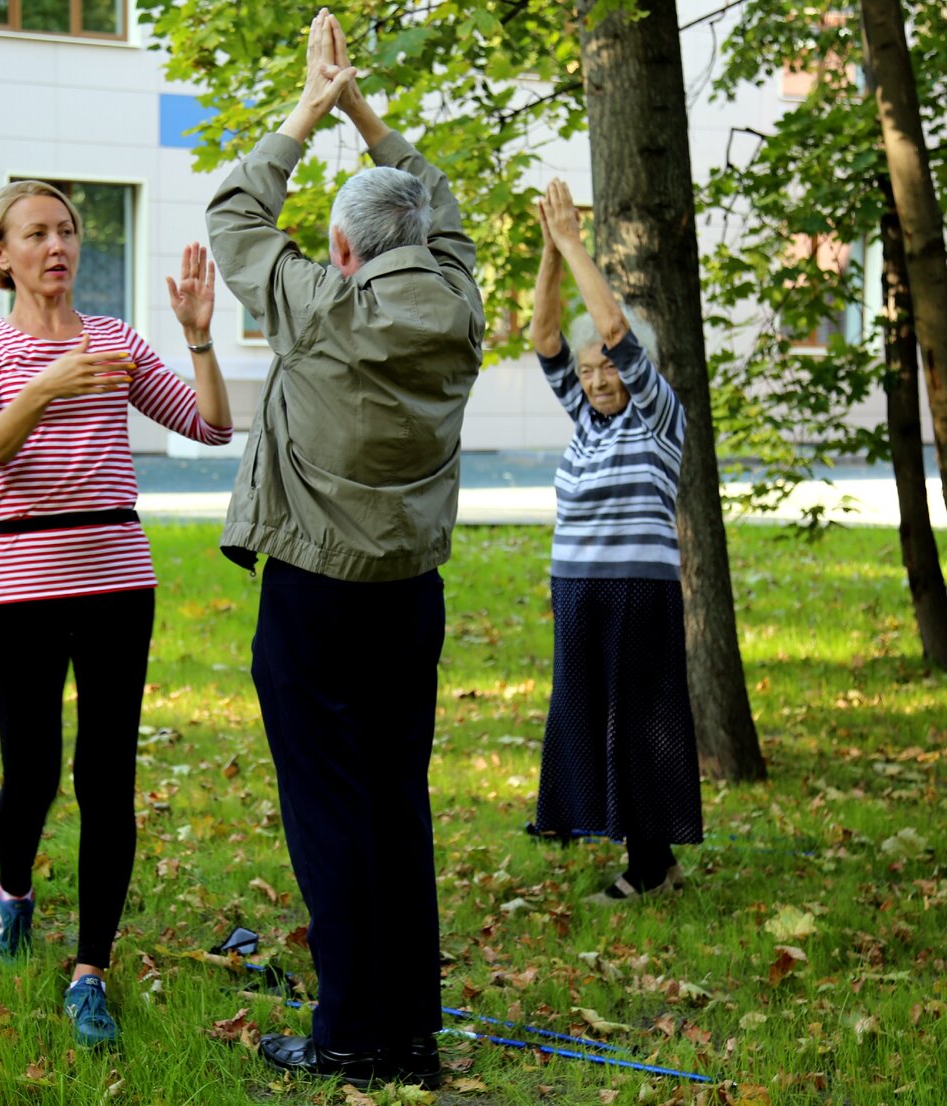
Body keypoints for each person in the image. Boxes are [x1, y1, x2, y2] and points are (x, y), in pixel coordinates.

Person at [205, 9, 484, 1091]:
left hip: (318, 595)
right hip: (412, 597)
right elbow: (438, 201)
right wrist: (365, 112)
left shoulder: (317, 307)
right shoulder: (460, 306)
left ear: (341, 249)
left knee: (330, 811)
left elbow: (236, 208)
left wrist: (312, 105)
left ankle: (351, 1034)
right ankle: (408, 1028)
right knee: (396, 804)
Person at [0, 179, 232, 1046]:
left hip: (117, 578)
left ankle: (90, 973)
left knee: (107, 779)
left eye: (67, 231)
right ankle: (14, 894)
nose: (57, 245)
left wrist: (199, 339)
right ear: (2, 254)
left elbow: (213, 427)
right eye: (35, 233)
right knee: (29, 775)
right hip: (23, 583)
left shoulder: (113, 342)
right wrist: (45, 385)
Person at [527, 178, 703, 902]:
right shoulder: (588, 418)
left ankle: (653, 867)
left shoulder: (655, 415)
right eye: (589, 367)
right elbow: (543, 339)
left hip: (637, 591)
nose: (597, 376)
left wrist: (574, 244)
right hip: (579, 588)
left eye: (607, 366)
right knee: (585, 713)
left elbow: (620, 335)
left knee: (640, 722)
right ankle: (597, 833)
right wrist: (546, 253)